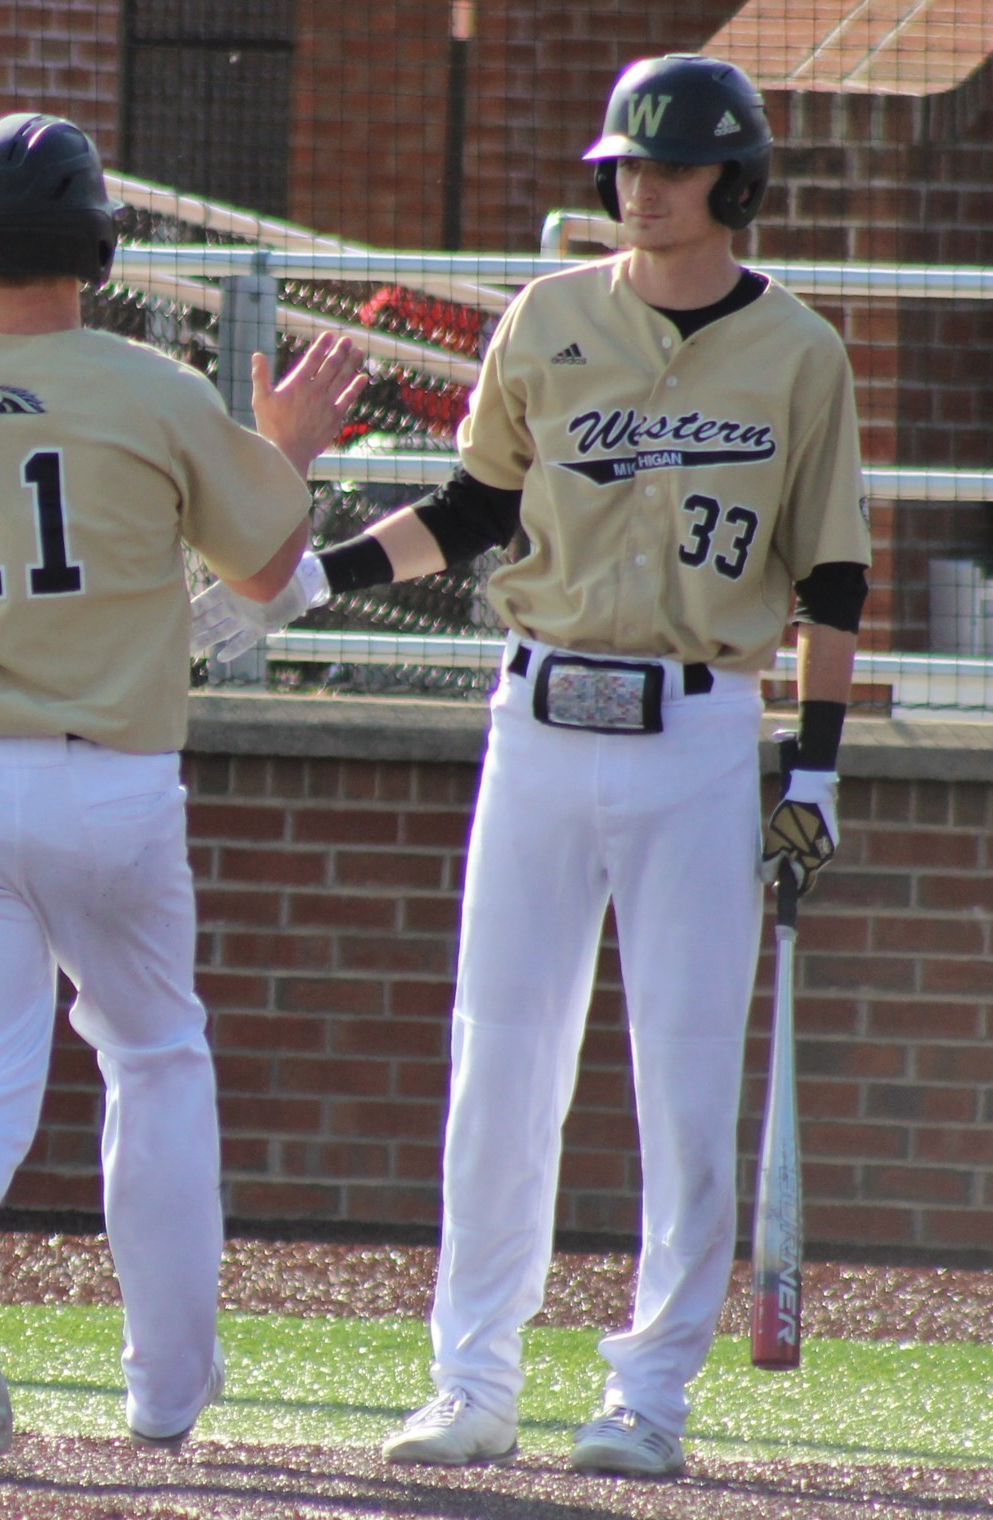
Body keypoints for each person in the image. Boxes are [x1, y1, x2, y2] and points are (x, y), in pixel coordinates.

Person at [194, 54, 870, 1478]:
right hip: (539, 726)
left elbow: (834, 580)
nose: (645, 187)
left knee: (684, 1077)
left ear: (733, 181)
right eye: (628, 166)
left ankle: (650, 1392)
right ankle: (472, 1382)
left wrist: (813, 771)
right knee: (499, 1066)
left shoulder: (800, 351)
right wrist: (318, 575)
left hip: (697, 732)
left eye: (674, 167)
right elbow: (472, 509)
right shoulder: (550, 319)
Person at [0, 113, 364, 1457]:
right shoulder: (152, 388)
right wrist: (288, 453)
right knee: (154, 1060)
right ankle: (165, 1392)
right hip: (110, 784)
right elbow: (270, 577)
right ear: (93, 240)